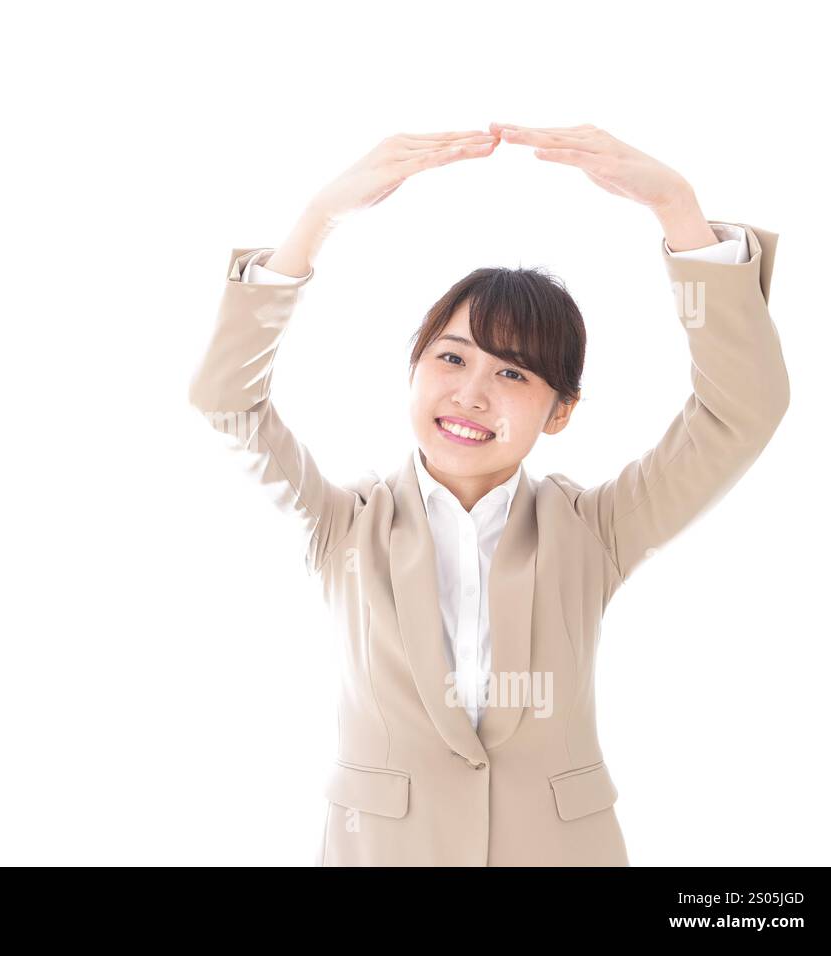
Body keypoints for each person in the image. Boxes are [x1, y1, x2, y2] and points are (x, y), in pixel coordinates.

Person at [186, 124, 788, 866]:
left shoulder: (593, 532)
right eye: (451, 357)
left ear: (559, 411)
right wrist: (316, 222)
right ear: (414, 372)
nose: (471, 394)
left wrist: (679, 211)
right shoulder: (343, 526)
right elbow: (227, 403)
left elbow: (740, 413)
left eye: (513, 374)